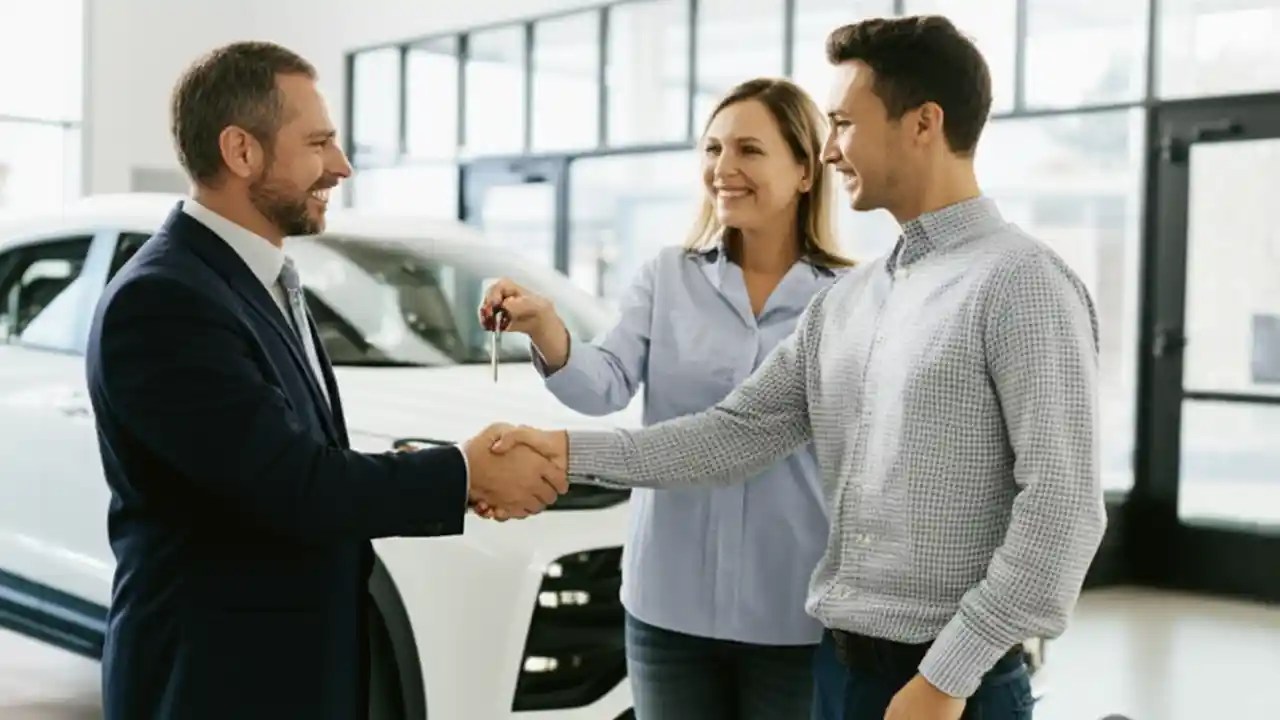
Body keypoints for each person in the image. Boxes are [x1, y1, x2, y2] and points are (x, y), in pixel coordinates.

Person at [488, 15, 1107, 720]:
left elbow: (1062, 509)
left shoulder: (1020, 282)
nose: (834, 147)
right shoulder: (852, 300)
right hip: (838, 667)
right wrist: (561, 453)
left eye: (844, 122)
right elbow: (731, 434)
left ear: (923, 123)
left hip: (948, 683)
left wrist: (946, 678)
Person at [84, 41, 564, 720]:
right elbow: (289, 484)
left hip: (284, 671)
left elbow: (284, 454)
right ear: (241, 151)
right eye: (318, 143)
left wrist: (418, 467)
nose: (341, 166)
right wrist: (464, 473)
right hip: (216, 681)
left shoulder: (258, 278)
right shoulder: (165, 302)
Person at [480, 77, 854, 719]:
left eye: (748, 150)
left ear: (803, 169)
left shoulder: (849, 297)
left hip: (794, 610)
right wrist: (543, 325)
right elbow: (602, 386)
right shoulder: (668, 276)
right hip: (668, 606)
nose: (723, 168)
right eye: (712, 149)